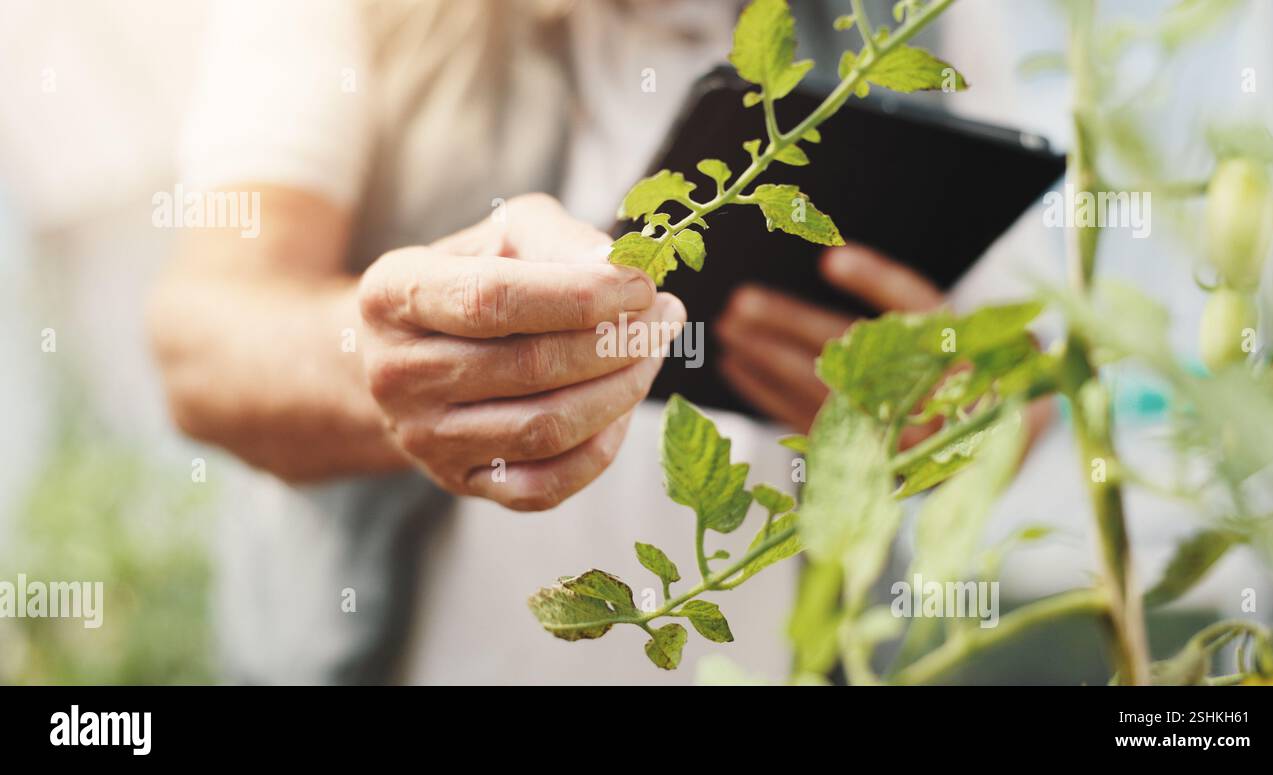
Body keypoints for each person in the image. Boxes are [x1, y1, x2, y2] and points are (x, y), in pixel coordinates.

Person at [149, 0, 1039, 684]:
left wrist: (952, 408)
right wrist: (387, 357)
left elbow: (1025, 382)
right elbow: (203, 343)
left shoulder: (915, 18)